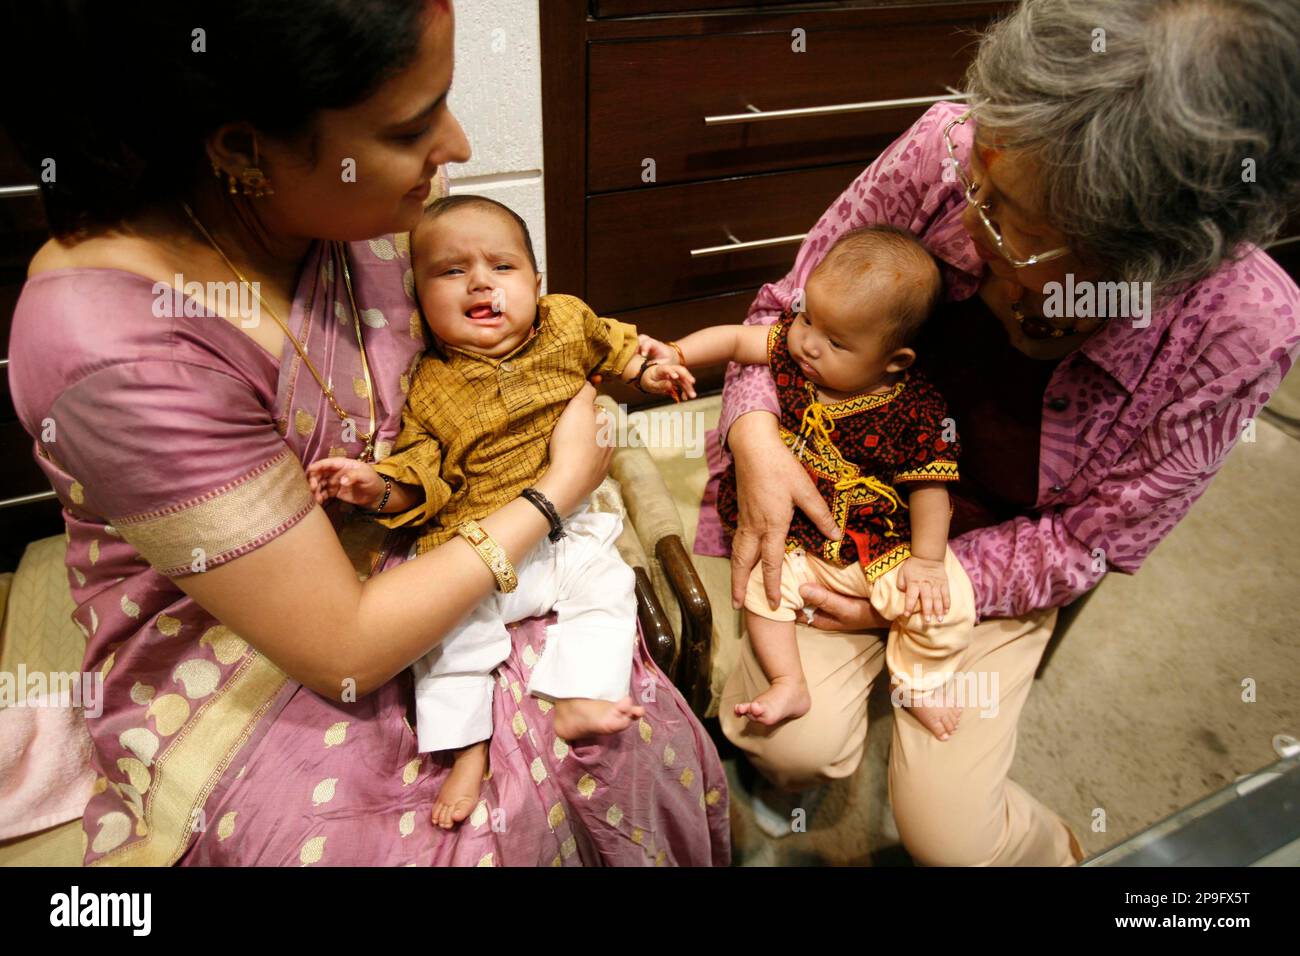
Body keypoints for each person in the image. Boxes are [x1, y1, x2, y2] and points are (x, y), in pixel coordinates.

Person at [6, 0, 729, 866]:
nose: (457, 147)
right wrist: (556, 490)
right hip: (257, 645)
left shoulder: (356, 217)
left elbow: (509, 348)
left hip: (445, 526)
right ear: (241, 151)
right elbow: (341, 646)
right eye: (414, 124)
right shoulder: (116, 352)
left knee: (625, 746)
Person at [694, 0, 1300, 865]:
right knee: (790, 745)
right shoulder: (951, 146)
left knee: (952, 843)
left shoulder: (1242, 328)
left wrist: (908, 591)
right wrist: (754, 434)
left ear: (1131, 256)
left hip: (988, 556)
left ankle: (1051, 849)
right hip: (849, 496)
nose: (970, 195)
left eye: (1015, 215)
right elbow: (786, 314)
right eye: (983, 163)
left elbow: (1092, 540)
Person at [306, 195, 688, 827]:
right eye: (452, 271)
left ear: (537, 285)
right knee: (446, 640)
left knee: (613, 585)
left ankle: (580, 696)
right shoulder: (428, 386)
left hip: (570, 535)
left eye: (502, 267)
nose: (480, 282)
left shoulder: (567, 323)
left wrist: (650, 373)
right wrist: (373, 487)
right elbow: (418, 475)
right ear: (420, 303)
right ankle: (468, 748)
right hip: (479, 546)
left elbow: (619, 349)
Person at [654, 226, 976, 741]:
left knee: (944, 605)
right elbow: (737, 339)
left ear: (895, 361)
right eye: (807, 317)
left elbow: (930, 490)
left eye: (836, 341)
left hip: (877, 541)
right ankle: (789, 681)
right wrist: (677, 352)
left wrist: (929, 561)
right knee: (764, 583)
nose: (807, 342)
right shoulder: (794, 349)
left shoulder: (916, 411)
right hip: (793, 526)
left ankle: (918, 682)